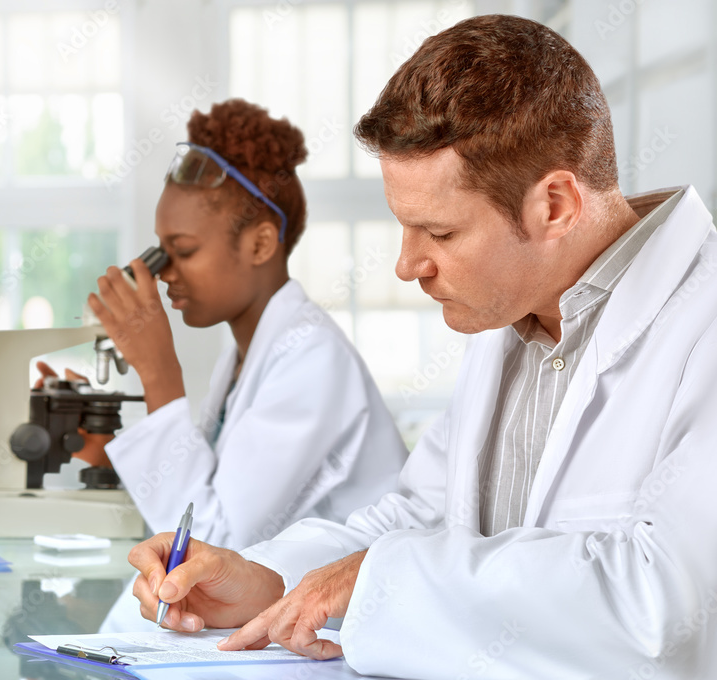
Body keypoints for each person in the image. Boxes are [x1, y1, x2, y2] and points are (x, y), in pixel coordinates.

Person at [124, 15, 717, 679]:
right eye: (404, 228)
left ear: (554, 206)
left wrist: (380, 580)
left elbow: (666, 611)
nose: (407, 266)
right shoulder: (513, 320)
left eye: (439, 233)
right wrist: (266, 580)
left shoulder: (702, 323)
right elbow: (421, 517)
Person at [38, 98, 408, 551]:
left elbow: (213, 546)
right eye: (162, 252)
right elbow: (209, 492)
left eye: (184, 250)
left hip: (352, 596)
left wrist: (158, 370)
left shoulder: (313, 359)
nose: (164, 273)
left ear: (260, 244)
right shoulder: (243, 359)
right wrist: (103, 453)